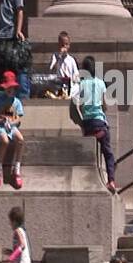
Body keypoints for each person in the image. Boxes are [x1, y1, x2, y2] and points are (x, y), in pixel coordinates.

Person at [78, 56, 117, 194]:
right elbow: (104, 104)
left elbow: (81, 105)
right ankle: (111, 180)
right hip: (99, 124)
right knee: (108, 153)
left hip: (87, 125)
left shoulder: (81, 84)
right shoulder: (101, 83)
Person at [0, 71, 26, 190]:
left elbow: (19, 119)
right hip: (1, 127)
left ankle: (17, 169)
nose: (10, 90)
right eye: (8, 88)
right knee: (4, 141)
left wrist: (12, 122)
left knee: (20, 140)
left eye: (12, 88)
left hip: (12, 127)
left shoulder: (17, 102)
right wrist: (2, 120)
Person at [49, 31, 80, 97]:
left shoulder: (71, 59)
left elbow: (76, 75)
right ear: (59, 45)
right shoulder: (55, 56)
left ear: (69, 45)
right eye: (62, 45)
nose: (64, 47)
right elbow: (51, 69)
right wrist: (59, 57)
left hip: (69, 85)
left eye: (66, 44)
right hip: (58, 84)